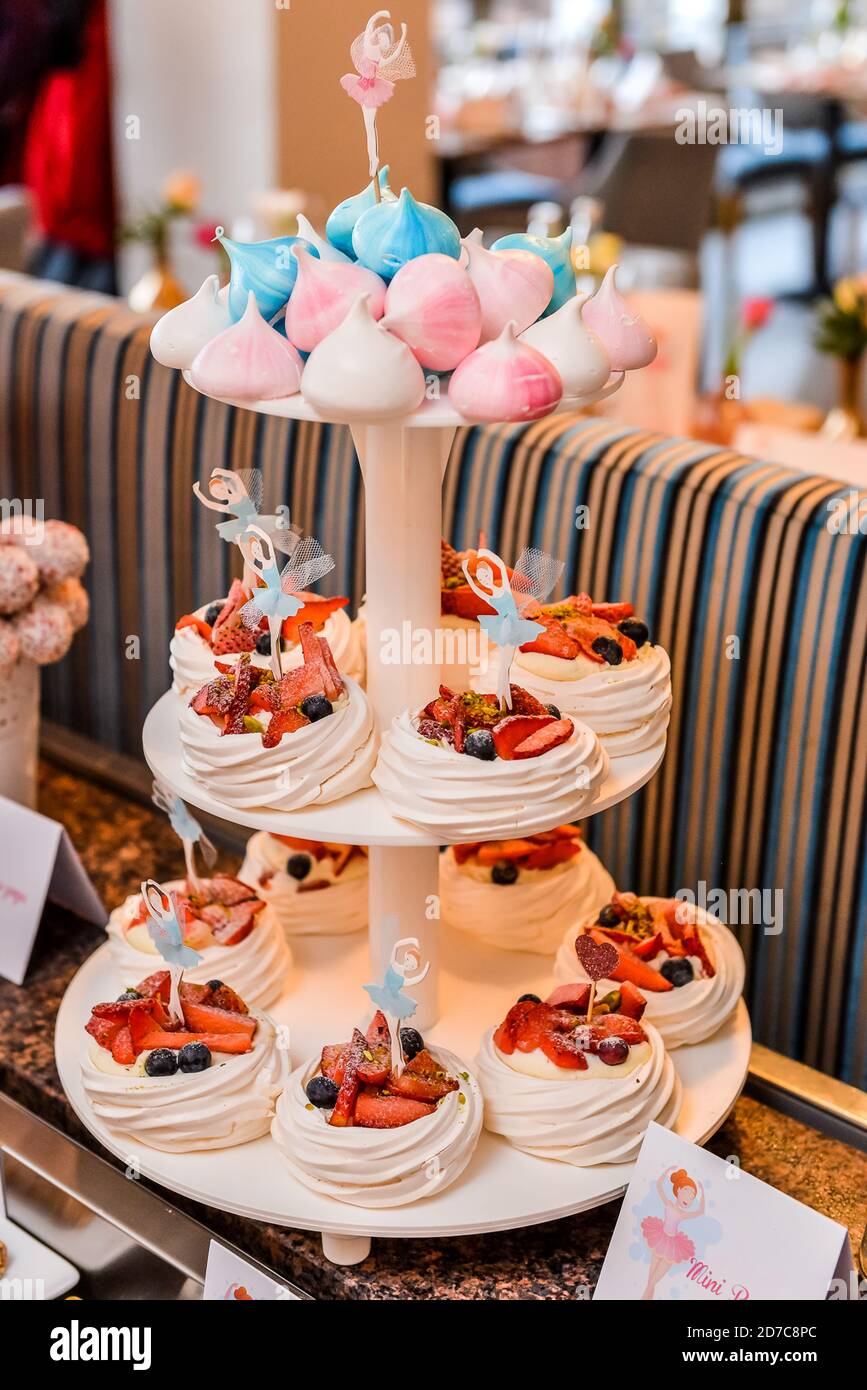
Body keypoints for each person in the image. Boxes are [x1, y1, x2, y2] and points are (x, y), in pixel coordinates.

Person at [640, 1166, 705, 1301]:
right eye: (688, 1192)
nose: (690, 1198)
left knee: (652, 1281)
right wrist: (667, 1170)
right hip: (660, 1238)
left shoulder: (683, 1213)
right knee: (650, 1281)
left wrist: (703, 1192)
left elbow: (700, 1211)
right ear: (679, 1190)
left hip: (674, 1246)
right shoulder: (669, 1204)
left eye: (693, 1196)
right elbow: (659, 1185)